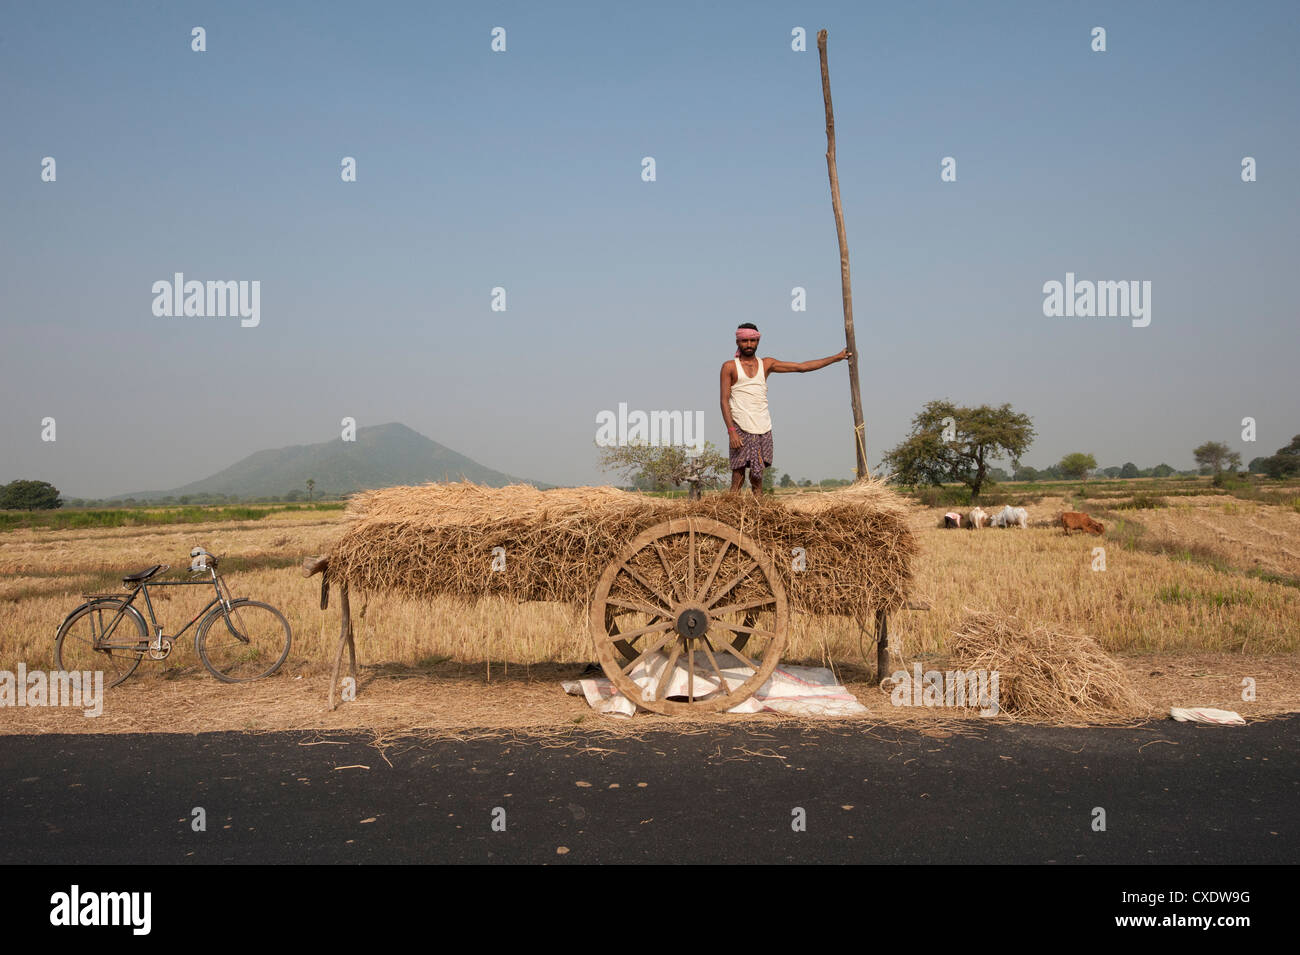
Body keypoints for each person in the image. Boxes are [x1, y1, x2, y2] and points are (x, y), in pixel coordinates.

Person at [719, 323, 849, 496]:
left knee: (758, 476)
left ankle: (759, 512)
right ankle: (729, 510)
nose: (748, 344)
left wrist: (836, 358)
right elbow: (723, 401)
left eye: (752, 340)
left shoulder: (766, 364)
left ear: (758, 341)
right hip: (740, 426)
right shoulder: (729, 367)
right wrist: (731, 431)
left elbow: (801, 367)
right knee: (738, 474)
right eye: (744, 341)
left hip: (763, 426)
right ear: (737, 341)